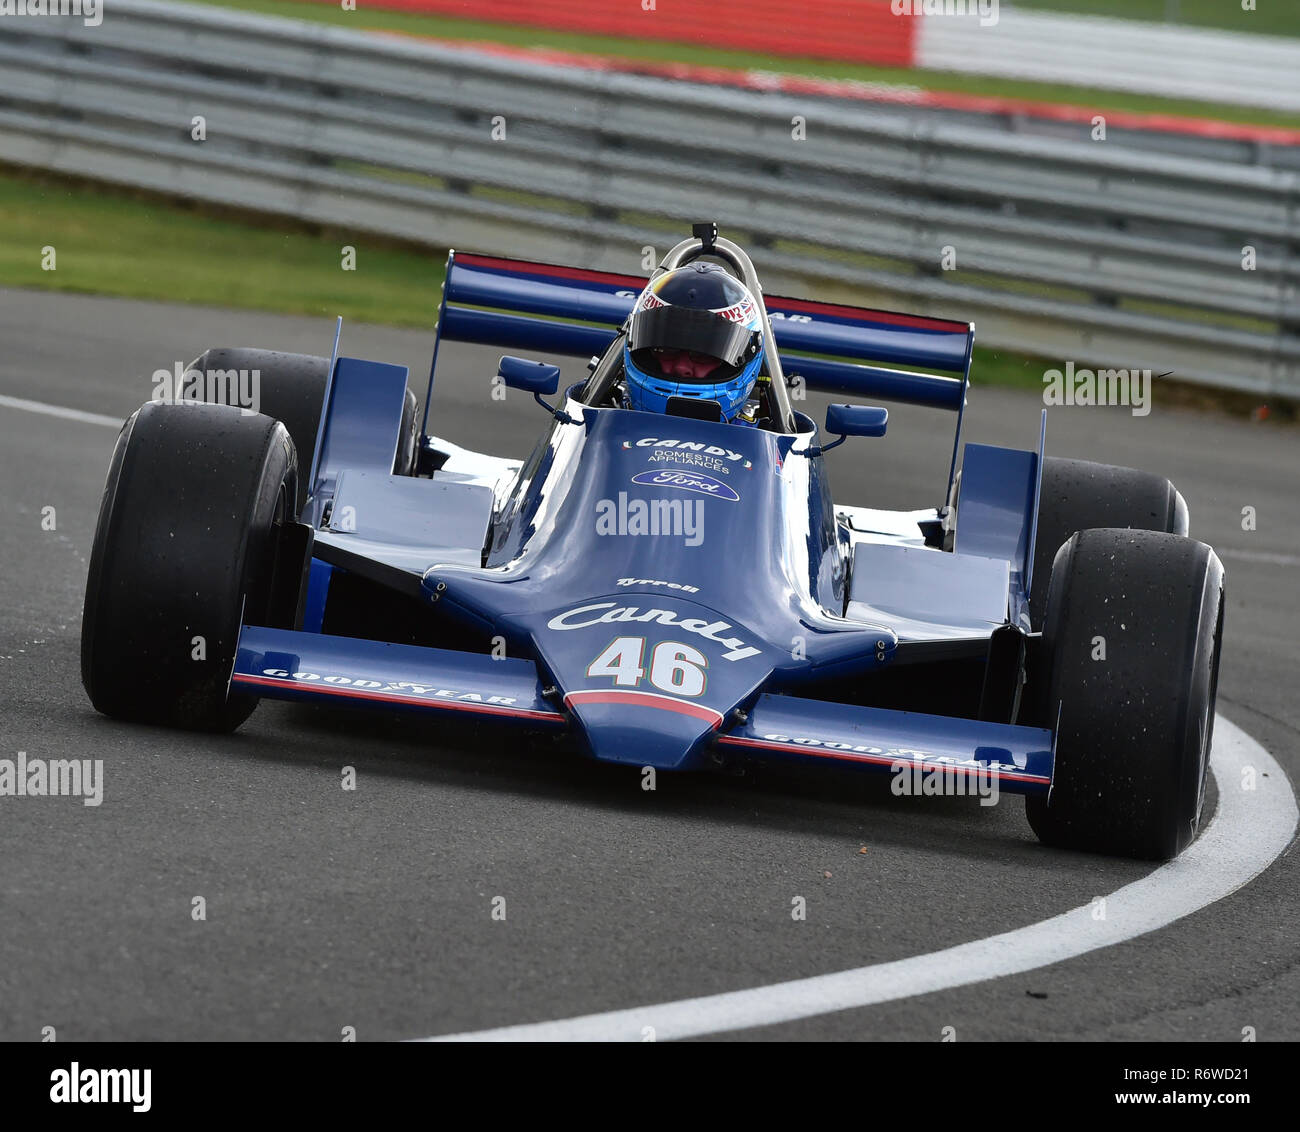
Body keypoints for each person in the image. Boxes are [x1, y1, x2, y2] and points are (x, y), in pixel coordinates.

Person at [622, 262, 765, 424]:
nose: (681, 367)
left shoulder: (775, 438)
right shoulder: (593, 414)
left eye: (703, 355)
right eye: (666, 349)